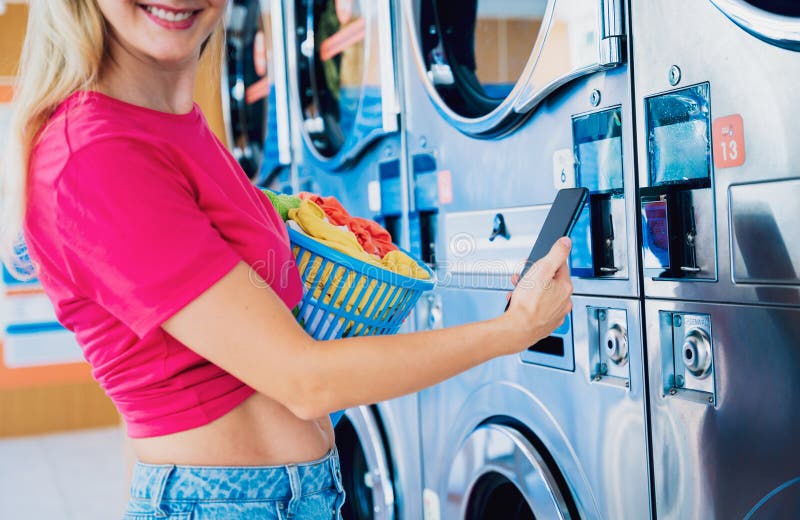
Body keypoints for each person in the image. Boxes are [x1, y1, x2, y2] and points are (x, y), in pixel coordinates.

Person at [0, 1, 573, 518]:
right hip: (224, 505)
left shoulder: (175, 127)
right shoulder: (98, 153)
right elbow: (304, 381)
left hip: (297, 492)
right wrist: (512, 330)